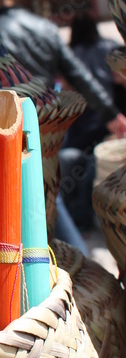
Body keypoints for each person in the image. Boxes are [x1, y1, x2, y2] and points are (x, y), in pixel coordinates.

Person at [0, 0, 126, 139]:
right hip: (49, 119)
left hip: (11, 125)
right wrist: (110, 114)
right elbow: (79, 75)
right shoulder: (43, 26)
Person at [58, 14, 123, 229]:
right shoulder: (111, 47)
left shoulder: (71, 56)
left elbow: (63, 90)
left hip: (81, 129)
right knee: (90, 166)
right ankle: (83, 216)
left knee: (75, 163)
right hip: (110, 126)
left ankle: (74, 217)